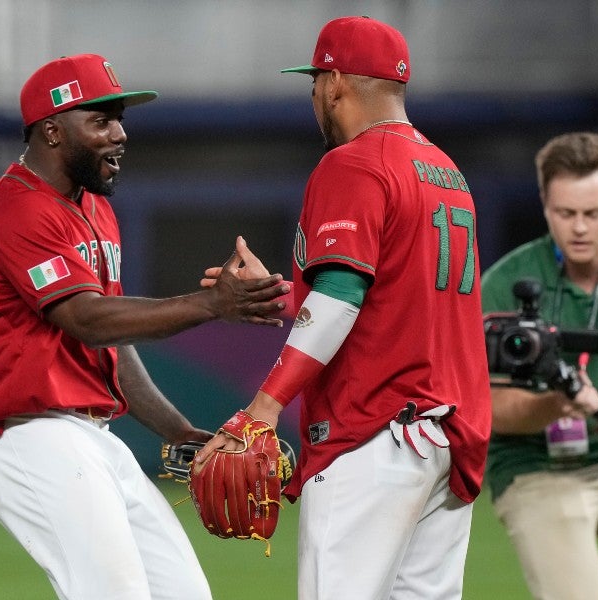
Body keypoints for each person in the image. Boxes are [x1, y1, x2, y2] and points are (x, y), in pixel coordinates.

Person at [0, 54, 289, 600]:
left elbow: (111, 340)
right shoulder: (15, 208)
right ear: (50, 131)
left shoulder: (94, 208)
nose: (119, 134)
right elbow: (87, 319)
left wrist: (179, 431)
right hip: (32, 438)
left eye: (120, 119)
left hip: (92, 437)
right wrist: (211, 305)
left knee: (185, 593)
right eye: (100, 120)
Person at [195, 17, 492, 599]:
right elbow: (396, 303)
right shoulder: (447, 173)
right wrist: (286, 299)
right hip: (446, 439)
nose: (313, 98)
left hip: (373, 436)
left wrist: (262, 408)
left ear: (334, 83)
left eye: (313, 84)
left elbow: (340, 299)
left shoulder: (352, 162)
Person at [480, 130, 598, 599]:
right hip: (534, 469)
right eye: (566, 213)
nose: (579, 227)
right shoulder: (503, 284)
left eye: (593, 213)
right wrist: (557, 405)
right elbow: (490, 409)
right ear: (545, 204)